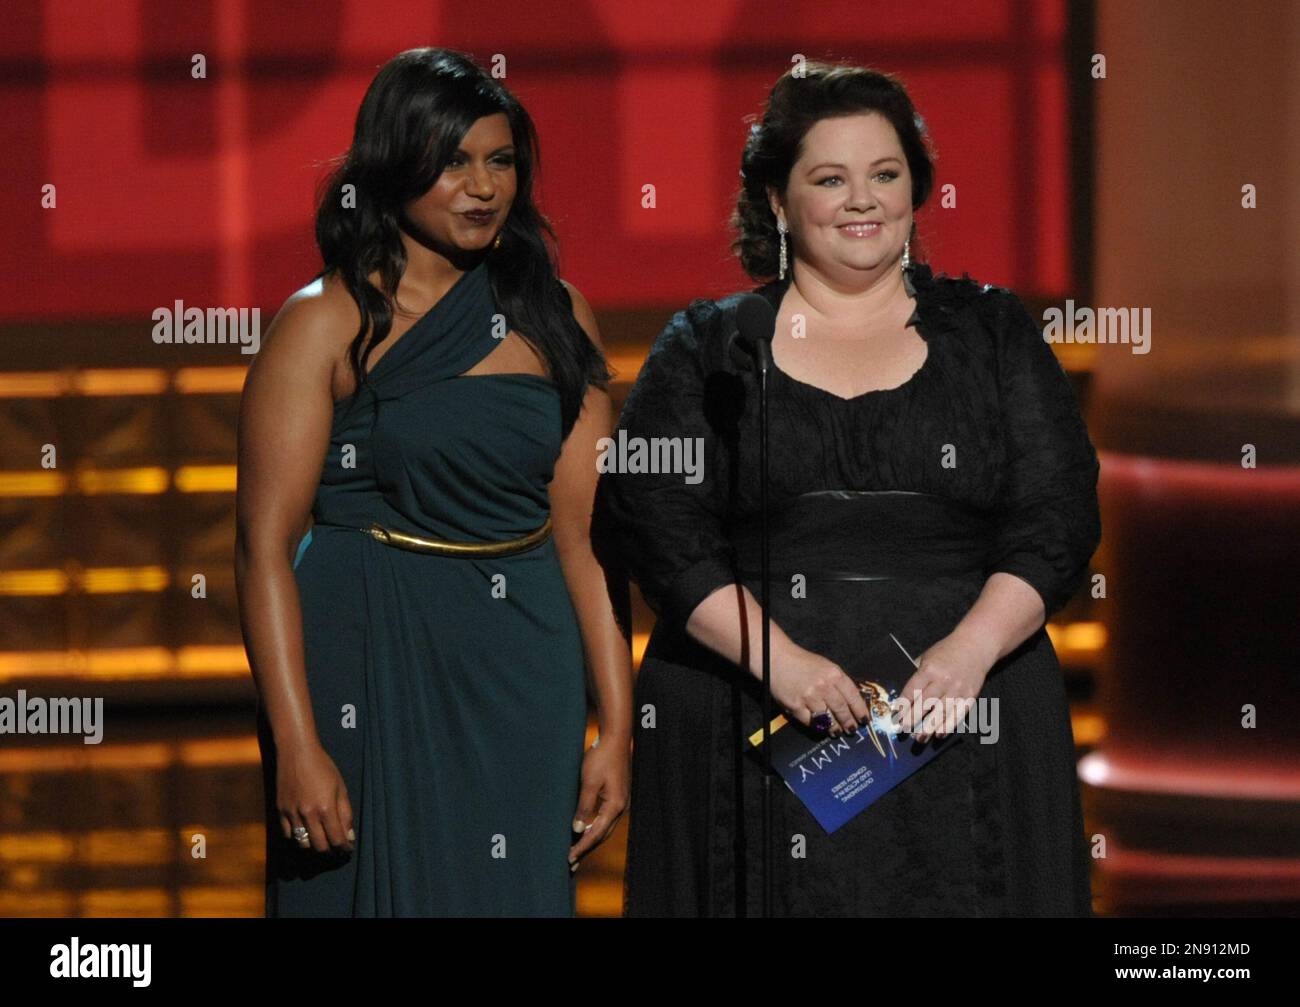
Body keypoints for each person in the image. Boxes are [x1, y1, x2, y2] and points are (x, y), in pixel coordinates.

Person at [592, 61, 1101, 916]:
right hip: (753, 717)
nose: (862, 200)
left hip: (966, 716)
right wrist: (783, 664)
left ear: (917, 188)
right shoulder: (708, 346)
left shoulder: (994, 333)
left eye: (885, 174)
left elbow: (1055, 513)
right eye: (831, 179)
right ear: (779, 202)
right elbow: (657, 525)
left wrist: (967, 654)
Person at [236, 48, 631, 917]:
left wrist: (617, 729)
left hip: (522, 666)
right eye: (453, 163)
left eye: (499, 161)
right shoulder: (323, 322)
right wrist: (298, 741)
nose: (482, 187)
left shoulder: (555, 314)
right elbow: (262, 548)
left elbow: (587, 540)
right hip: (366, 654)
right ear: (395, 167)